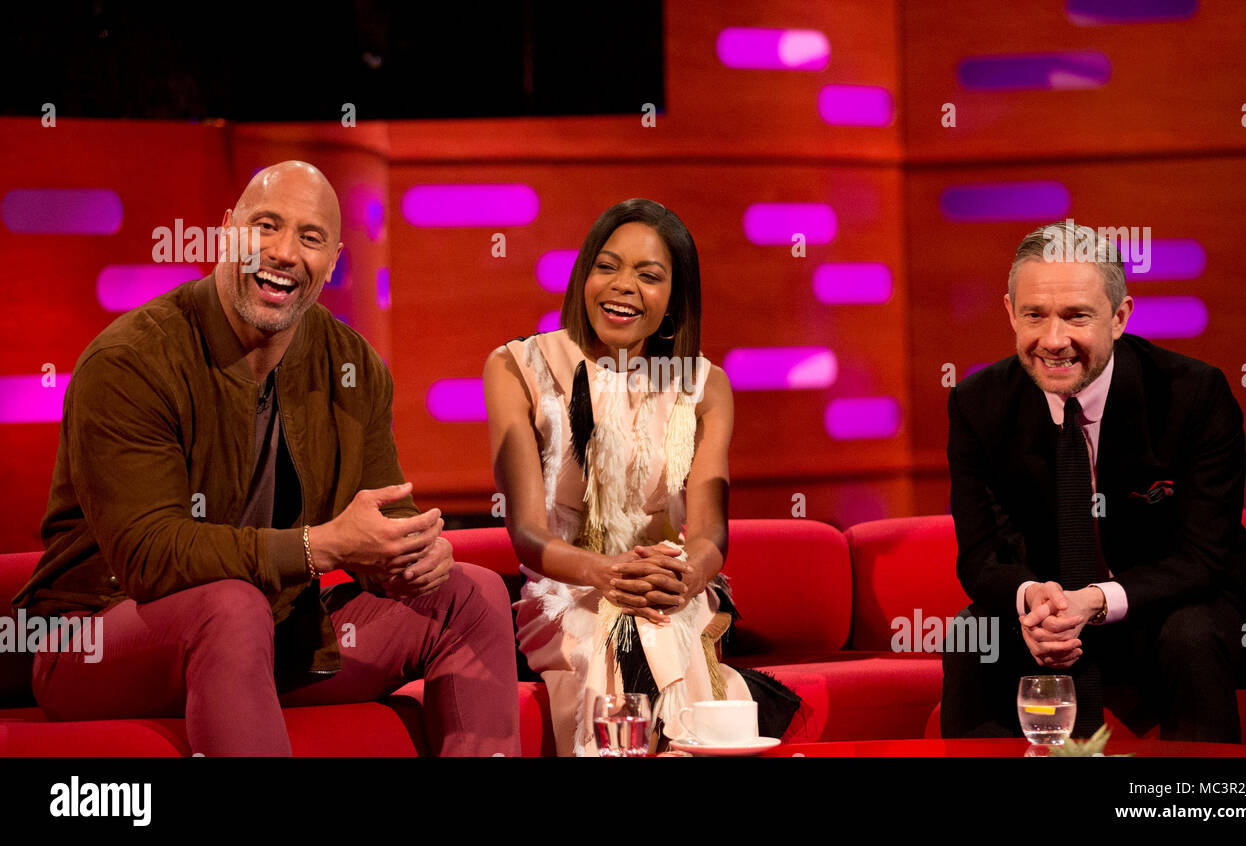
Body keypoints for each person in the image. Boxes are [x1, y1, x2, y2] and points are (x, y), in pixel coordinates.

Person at [14, 161, 520, 756]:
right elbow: (148, 558)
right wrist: (322, 546)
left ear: (331, 262)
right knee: (231, 607)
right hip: (101, 635)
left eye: (309, 238)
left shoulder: (350, 365)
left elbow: (382, 519)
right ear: (228, 232)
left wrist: (409, 556)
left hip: (270, 635)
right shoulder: (131, 361)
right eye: (266, 226)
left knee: (474, 595)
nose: (283, 252)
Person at [940, 220, 1246, 742]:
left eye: (1076, 316)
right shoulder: (977, 404)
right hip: (1057, 612)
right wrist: (1034, 598)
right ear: (1011, 312)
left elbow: (1202, 557)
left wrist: (1096, 601)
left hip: (1179, 602)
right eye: (1034, 314)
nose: (1053, 341)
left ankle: (1196, 799)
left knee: (1189, 634)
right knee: (972, 635)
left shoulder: (1192, 394)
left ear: (1120, 316)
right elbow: (980, 556)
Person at [484, 198, 797, 756]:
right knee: (615, 634)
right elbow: (527, 535)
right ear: (584, 275)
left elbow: (709, 535)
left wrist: (684, 577)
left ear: (674, 299)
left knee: (657, 623)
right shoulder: (519, 368)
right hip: (566, 590)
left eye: (648, 276)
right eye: (607, 267)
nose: (622, 285)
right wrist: (605, 573)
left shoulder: (705, 387)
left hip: (669, 585)